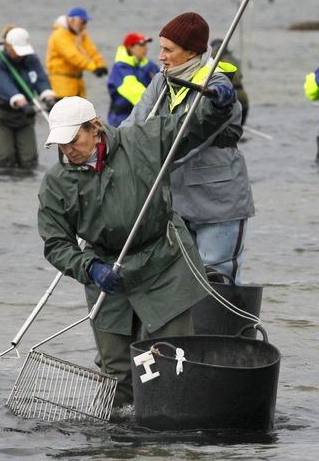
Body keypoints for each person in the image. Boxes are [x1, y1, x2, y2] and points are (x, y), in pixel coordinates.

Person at [36, 87, 237, 407]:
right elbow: (56, 242)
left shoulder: (143, 141)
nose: (68, 150)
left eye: (74, 140)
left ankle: (175, 429)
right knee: (116, 371)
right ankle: (121, 440)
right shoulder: (57, 182)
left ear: (95, 127)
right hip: (107, 271)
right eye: (61, 144)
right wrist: (89, 268)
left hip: (163, 261)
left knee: (172, 355)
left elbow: (190, 128)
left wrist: (218, 107)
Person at [123, 12, 254, 284]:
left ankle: (223, 326)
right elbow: (134, 124)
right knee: (178, 283)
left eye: (168, 50)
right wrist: (108, 148)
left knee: (217, 279)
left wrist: (222, 103)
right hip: (175, 202)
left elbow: (194, 132)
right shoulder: (162, 81)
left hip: (218, 201)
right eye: (160, 48)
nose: (161, 56)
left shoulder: (216, 84)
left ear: (192, 51)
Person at [0, 26, 57, 168]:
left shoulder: (30, 59)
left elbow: (40, 78)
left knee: (29, 160)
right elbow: (6, 87)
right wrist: (22, 104)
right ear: (8, 46)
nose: (21, 56)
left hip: (23, 118)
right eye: (17, 51)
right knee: (5, 160)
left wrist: (49, 97)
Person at [46, 7, 107, 99]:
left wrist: (101, 64)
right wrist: (93, 68)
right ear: (72, 21)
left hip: (77, 84)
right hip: (62, 85)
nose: (84, 26)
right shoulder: (59, 35)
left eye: (85, 23)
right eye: (82, 22)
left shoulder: (80, 33)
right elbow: (73, 56)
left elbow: (91, 50)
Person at [106, 32, 159, 127]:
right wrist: (158, 108)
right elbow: (133, 91)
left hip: (144, 115)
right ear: (130, 47)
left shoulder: (149, 65)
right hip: (123, 118)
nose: (145, 48)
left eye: (146, 44)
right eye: (141, 44)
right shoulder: (121, 68)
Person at [210, 38, 250, 127]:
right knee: (237, 130)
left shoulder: (216, 61)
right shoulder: (234, 59)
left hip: (230, 98)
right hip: (243, 96)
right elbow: (240, 76)